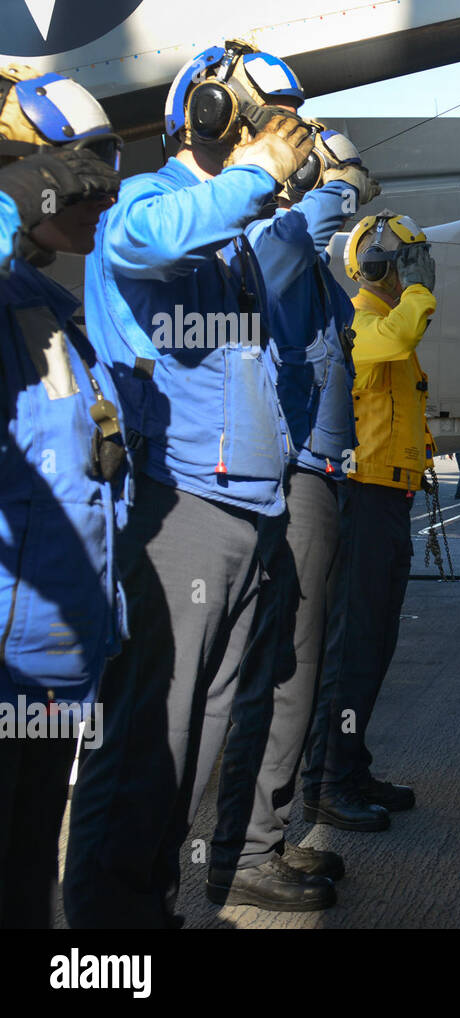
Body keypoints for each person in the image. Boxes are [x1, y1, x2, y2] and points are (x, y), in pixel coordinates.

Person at [62, 40, 315, 929]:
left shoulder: (235, 230)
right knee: (148, 740)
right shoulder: (152, 202)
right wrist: (251, 180)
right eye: (260, 119)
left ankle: (148, 912)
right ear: (210, 113)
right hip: (183, 510)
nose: (277, 141)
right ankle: (104, 937)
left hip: (252, 509)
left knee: (198, 736)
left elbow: (293, 344)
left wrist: (294, 210)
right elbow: (138, 243)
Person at [207, 127, 380, 910]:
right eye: (324, 169)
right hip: (291, 477)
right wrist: (334, 186)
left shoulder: (302, 253)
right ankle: (244, 853)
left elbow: (346, 324)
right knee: (282, 673)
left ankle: (260, 841)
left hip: (318, 475)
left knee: (293, 673)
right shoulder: (258, 239)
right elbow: (280, 263)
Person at [0, 65, 123, 928]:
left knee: (25, 871)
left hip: (58, 658)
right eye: (72, 175)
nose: (96, 197)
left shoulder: (43, 301)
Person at [300, 210, 435, 829]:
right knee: (351, 648)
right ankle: (327, 782)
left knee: (376, 646)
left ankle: (352, 768)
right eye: (409, 261)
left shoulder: (384, 322)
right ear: (381, 265)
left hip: (390, 500)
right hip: (359, 500)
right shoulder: (360, 322)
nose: (420, 273)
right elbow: (402, 337)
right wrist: (419, 287)